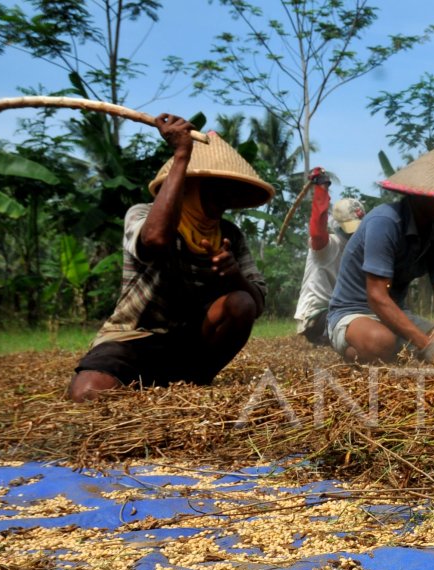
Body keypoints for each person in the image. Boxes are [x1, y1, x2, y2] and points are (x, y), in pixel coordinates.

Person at [67, 115, 274, 402]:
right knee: (87, 392)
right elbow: (154, 241)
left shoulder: (230, 235)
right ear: (190, 185)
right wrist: (181, 156)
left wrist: (234, 275)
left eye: (229, 191)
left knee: (241, 302)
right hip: (135, 336)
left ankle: (195, 378)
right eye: (215, 188)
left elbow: (257, 302)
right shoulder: (142, 215)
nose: (225, 198)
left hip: (193, 344)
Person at [326, 146, 434, 365]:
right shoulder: (385, 222)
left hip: (397, 314)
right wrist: (426, 345)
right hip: (354, 313)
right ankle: (353, 353)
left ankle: (407, 352)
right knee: (382, 343)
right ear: (416, 194)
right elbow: (377, 297)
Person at [294, 167, 364, 345]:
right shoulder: (326, 245)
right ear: (338, 225)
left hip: (344, 312)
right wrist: (321, 188)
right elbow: (317, 229)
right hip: (318, 315)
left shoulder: (360, 249)